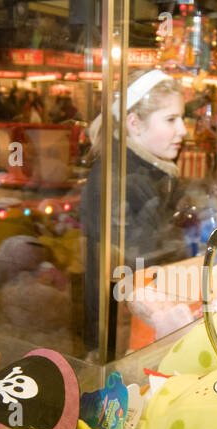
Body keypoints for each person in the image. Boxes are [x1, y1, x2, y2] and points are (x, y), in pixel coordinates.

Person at [81, 68, 189, 352]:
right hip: (125, 330)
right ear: (135, 123)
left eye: (182, 118)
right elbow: (140, 260)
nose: (183, 130)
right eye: (171, 119)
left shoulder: (147, 173)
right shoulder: (123, 180)